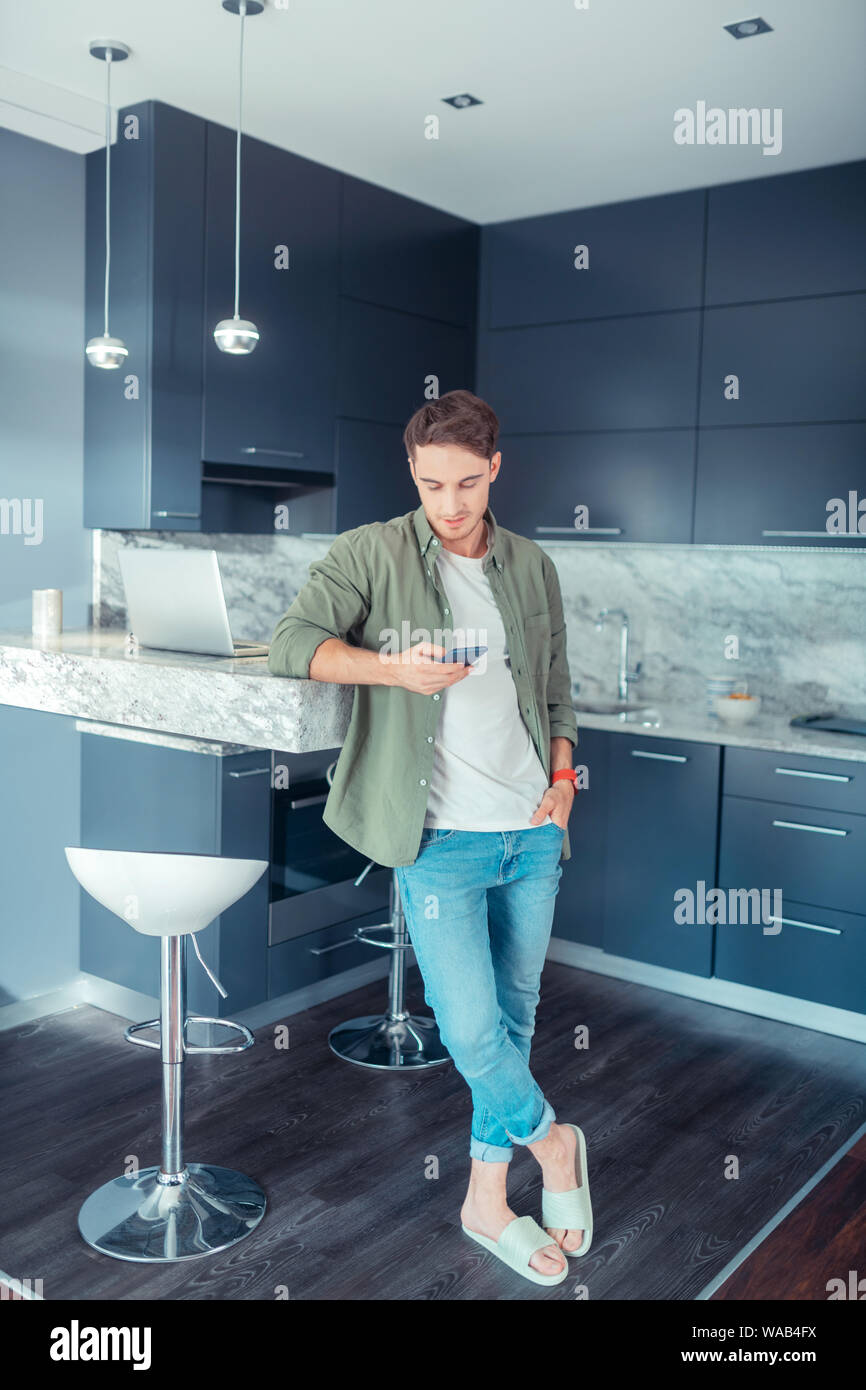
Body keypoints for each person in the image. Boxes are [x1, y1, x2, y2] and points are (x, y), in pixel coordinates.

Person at [268, 389, 592, 1287]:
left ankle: (486, 1203)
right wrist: (389, 670)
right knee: (471, 1033)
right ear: (411, 473)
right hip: (441, 840)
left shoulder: (532, 566)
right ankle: (555, 1146)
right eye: (431, 483)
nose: (450, 503)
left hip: (532, 831)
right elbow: (293, 641)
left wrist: (564, 783)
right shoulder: (370, 552)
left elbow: (557, 692)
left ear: (496, 470)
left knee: (514, 1025)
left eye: (468, 483)